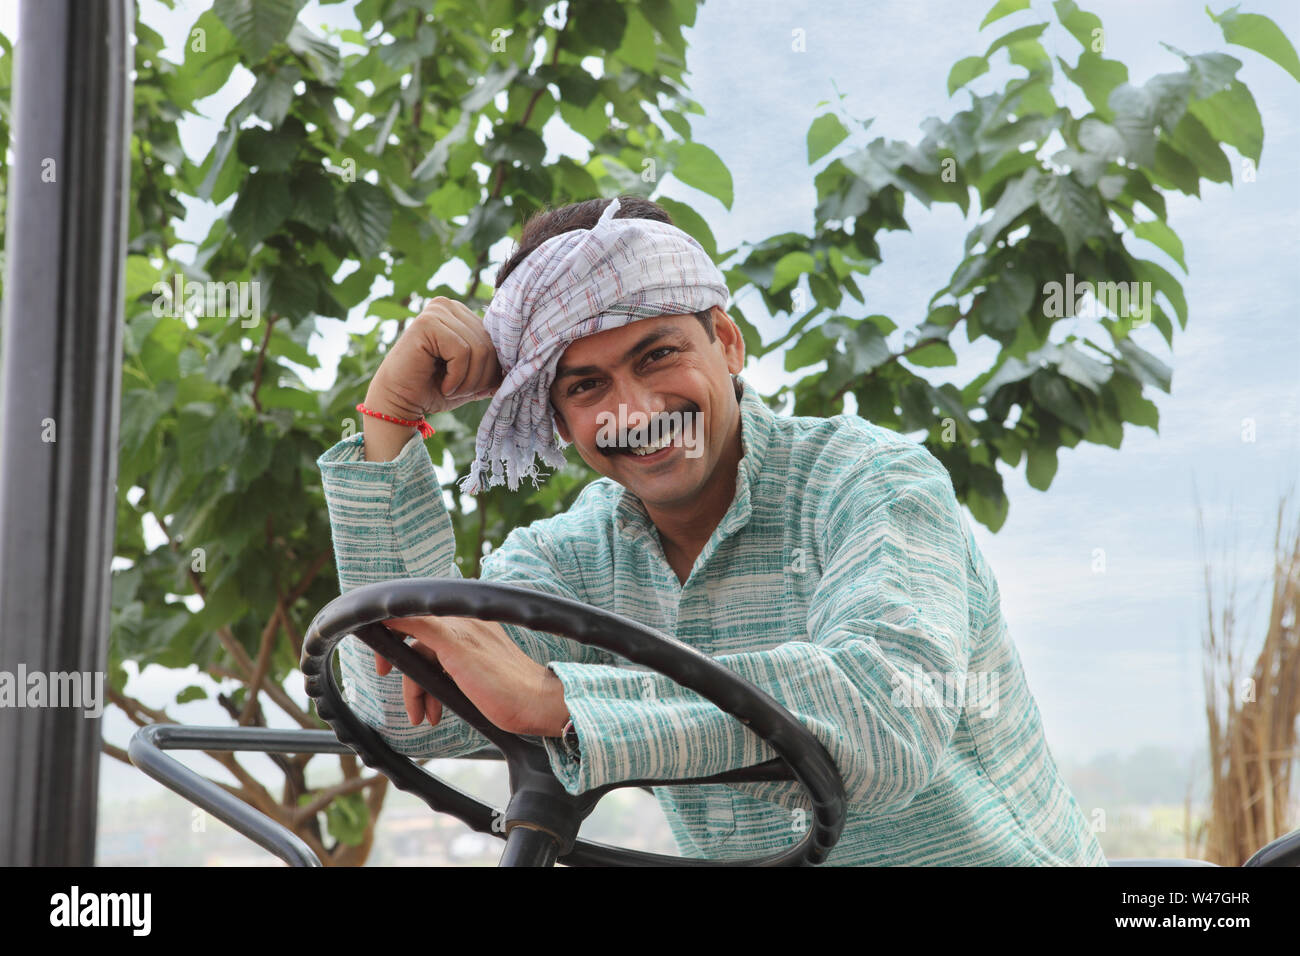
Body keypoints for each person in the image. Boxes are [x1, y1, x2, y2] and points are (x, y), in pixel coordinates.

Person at [315, 194, 1107, 865]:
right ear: (558, 419)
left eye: (657, 356)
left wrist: (558, 701)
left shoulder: (873, 481)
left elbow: (888, 711)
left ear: (727, 342)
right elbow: (400, 718)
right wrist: (391, 413)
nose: (632, 410)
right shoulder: (572, 560)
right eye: (587, 385)